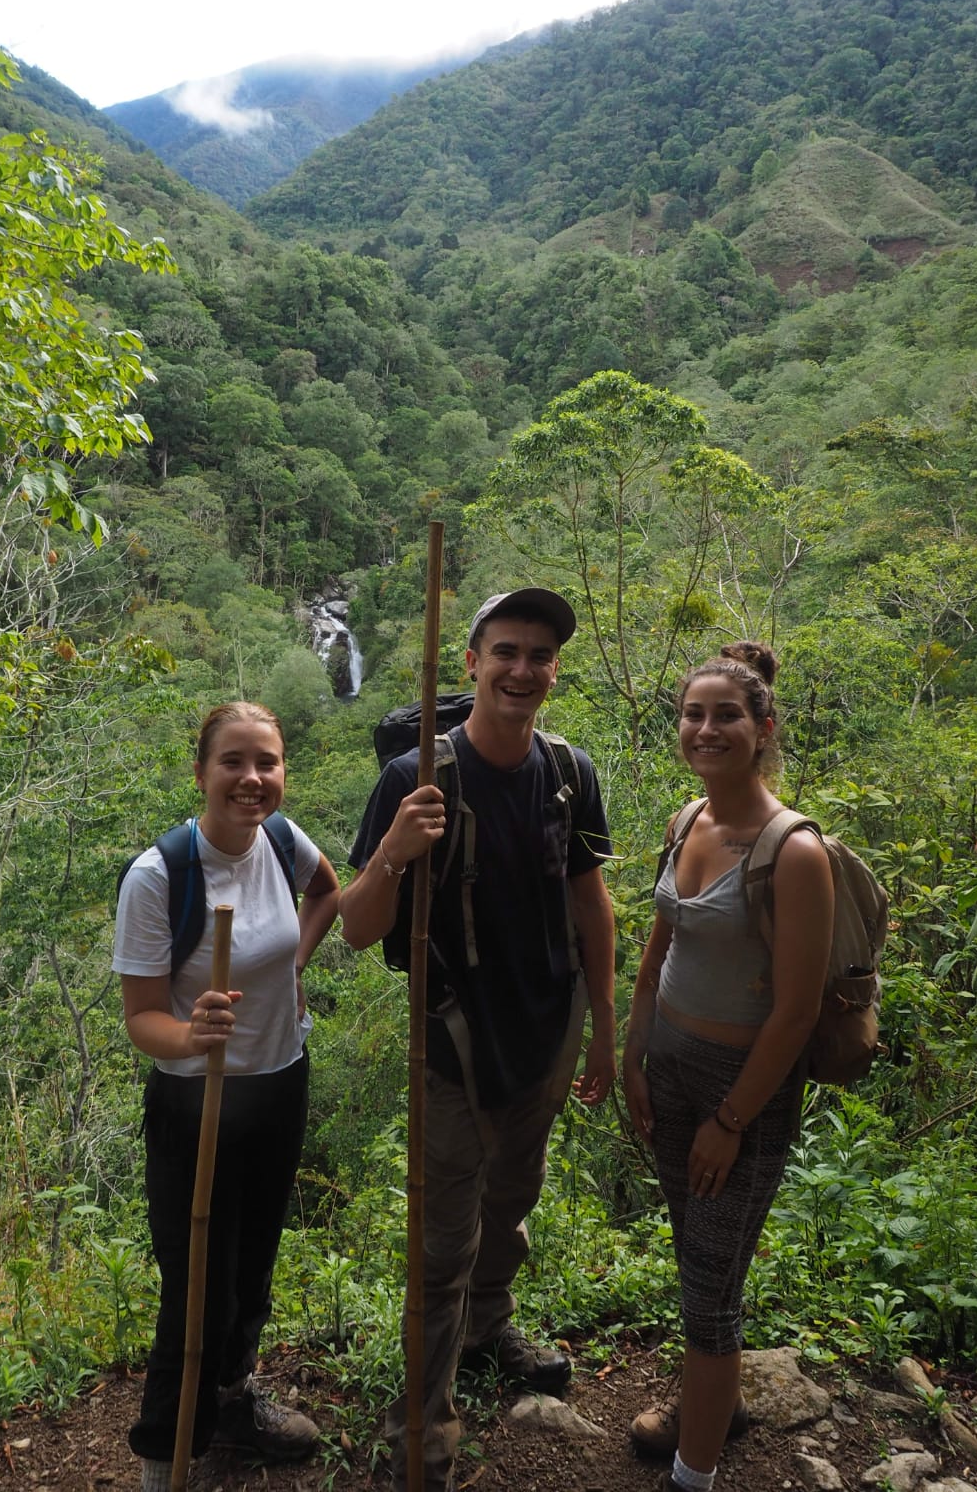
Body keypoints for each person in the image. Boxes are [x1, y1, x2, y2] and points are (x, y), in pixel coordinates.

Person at [340, 587, 617, 1492]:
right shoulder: (416, 778)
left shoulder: (569, 769)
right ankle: (421, 1433)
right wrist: (393, 852)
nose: (523, 669)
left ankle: (490, 1325)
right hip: (454, 1037)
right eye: (506, 651)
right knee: (443, 1234)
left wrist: (606, 1029)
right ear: (470, 663)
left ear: (554, 670)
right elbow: (354, 926)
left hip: (547, 1025)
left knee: (512, 1195)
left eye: (540, 655)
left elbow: (589, 903)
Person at [621, 644, 835, 1492]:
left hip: (738, 1088)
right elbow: (658, 945)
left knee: (711, 1289)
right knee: (699, 1255)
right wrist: (634, 1052)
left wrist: (731, 1118)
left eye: (727, 715)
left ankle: (693, 1472)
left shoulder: (793, 852)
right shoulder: (686, 820)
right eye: (693, 713)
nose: (706, 728)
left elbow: (797, 1011)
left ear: (764, 728)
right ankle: (718, 1406)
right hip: (669, 1069)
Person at [113, 701, 340, 1492]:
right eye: (234, 762)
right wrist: (193, 1033)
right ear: (202, 770)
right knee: (196, 1286)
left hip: (279, 1081)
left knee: (252, 1267)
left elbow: (329, 893)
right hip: (195, 1103)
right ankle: (162, 1453)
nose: (253, 778)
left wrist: (292, 968)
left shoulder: (280, 840)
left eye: (267, 762)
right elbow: (143, 1018)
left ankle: (234, 1401)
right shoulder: (160, 874)